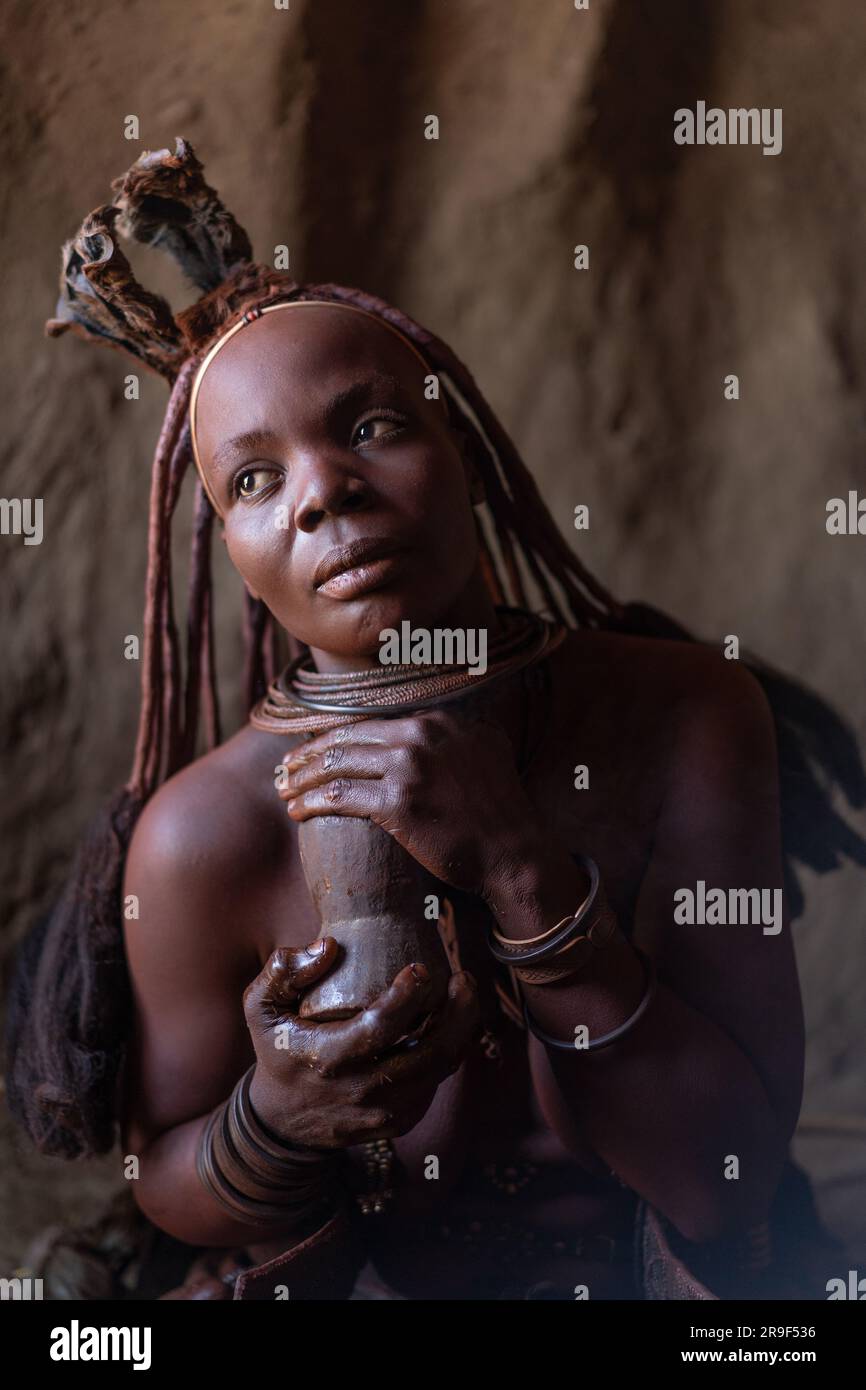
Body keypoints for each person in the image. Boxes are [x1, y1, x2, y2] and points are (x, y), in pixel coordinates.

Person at [6, 140, 860, 1301]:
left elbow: (724, 1182)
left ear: (462, 449)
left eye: (368, 426)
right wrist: (274, 1115)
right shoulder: (201, 831)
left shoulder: (684, 716)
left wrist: (522, 871)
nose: (320, 491)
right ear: (229, 553)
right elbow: (162, 1175)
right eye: (252, 481)